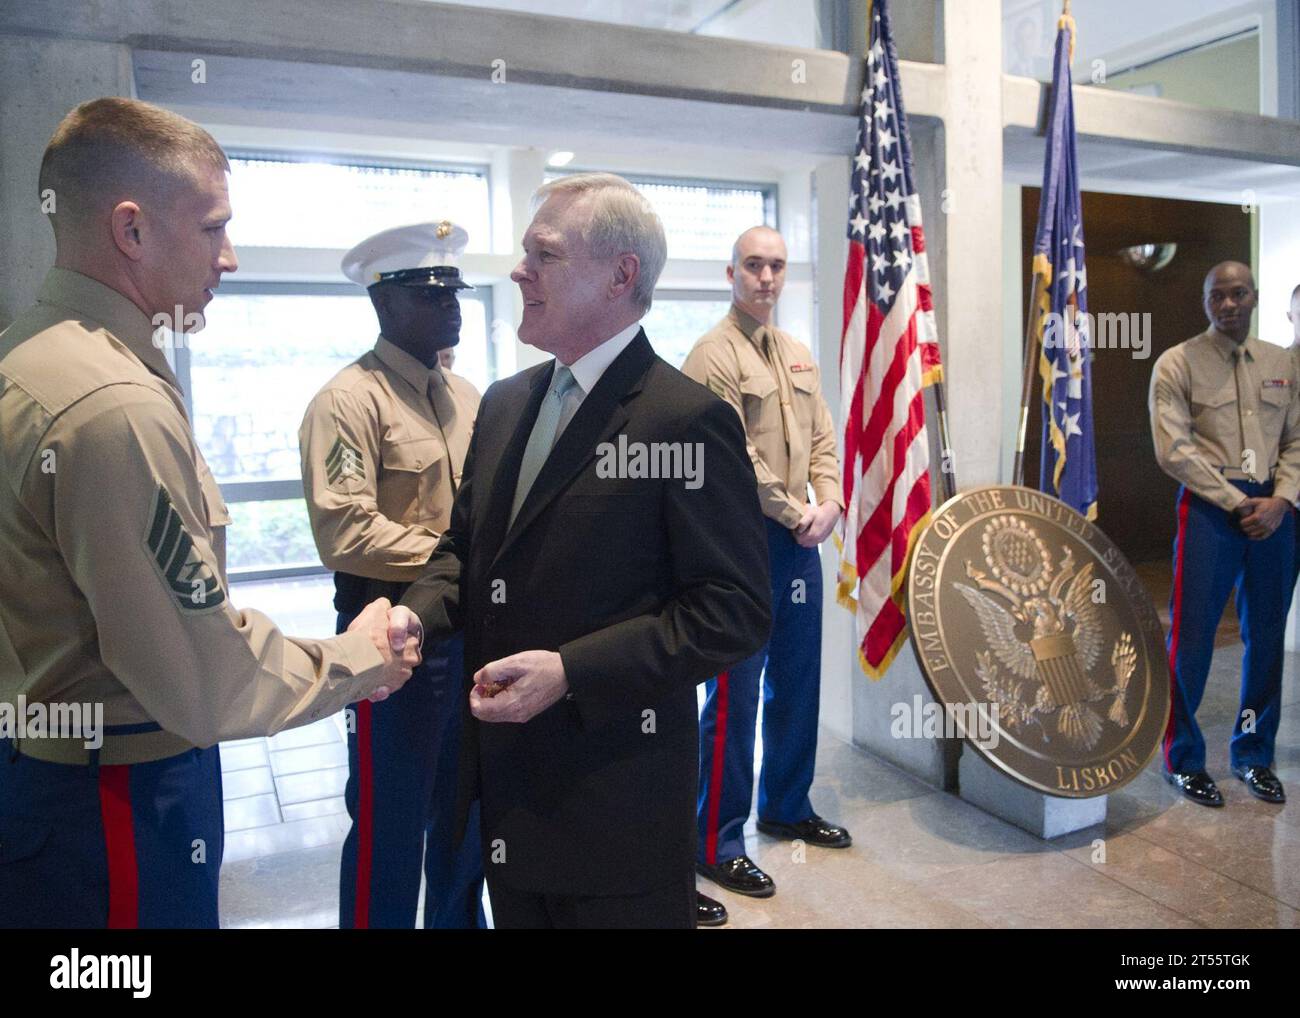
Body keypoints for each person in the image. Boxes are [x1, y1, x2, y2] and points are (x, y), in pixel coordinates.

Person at [0, 97, 418, 929]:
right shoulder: (112, 405)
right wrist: (358, 657)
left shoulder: (33, 358)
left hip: (45, 777)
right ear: (132, 230)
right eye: (212, 227)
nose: (229, 258)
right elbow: (201, 677)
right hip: (119, 799)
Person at [385, 172, 771, 929]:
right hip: (507, 793)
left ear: (621, 274)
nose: (520, 271)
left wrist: (572, 672)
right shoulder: (504, 404)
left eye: (544, 255)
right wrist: (416, 614)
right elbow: (465, 550)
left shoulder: (684, 418)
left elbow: (734, 611)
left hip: (614, 808)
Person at [300, 222, 485, 929]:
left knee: (463, 811)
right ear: (384, 304)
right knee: (390, 818)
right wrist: (454, 555)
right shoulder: (348, 401)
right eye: (429, 295)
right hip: (391, 641)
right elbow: (344, 528)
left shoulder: (467, 396)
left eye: (454, 294)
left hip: (467, 631)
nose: (452, 308)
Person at [680, 225, 851, 900]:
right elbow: (730, 456)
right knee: (734, 693)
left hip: (801, 541)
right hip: (738, 543)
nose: (767, 277)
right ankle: (714, 839)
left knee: (797, 679)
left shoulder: (798, 353)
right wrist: (793, 510)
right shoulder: (711, 356)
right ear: (731, 273)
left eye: (777, 265)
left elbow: (824, 438)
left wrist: (831, 500)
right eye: (754, 265)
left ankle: (786, 804)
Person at [1149, 260, 1298, 807]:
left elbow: (1297, 438)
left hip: (1277, 514)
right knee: (1192, 636)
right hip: (1213, 511)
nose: (1229, 304)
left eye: (1238, 294)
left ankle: (1253, 753)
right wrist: (1240, 503)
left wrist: (1282, 499)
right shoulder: (1178, 363)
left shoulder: (1283, 363)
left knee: (1265, 636)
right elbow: (1174, 449)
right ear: (1206, 301)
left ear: (1255, 297)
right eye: (1218, 296)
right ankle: (1183, 758)